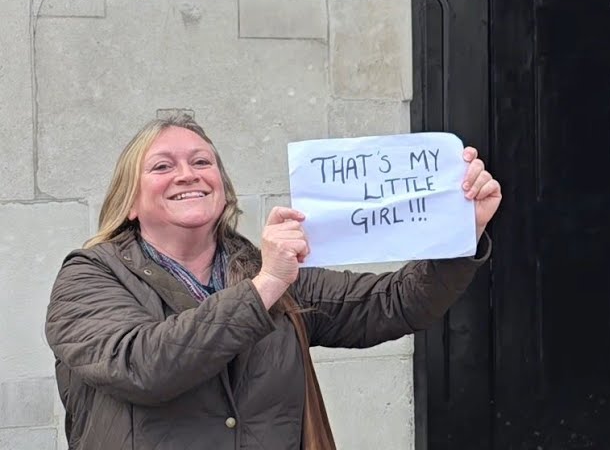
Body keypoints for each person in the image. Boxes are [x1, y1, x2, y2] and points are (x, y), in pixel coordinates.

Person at [44, 114, 501, 449]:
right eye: (162, 167)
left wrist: (461, 232)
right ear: (130, 202)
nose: (187, 174)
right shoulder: (90, 276)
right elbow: (142, 366)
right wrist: (266, 287)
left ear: (222, 188)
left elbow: (392, 303)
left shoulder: (261, 268)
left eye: (202, 162)